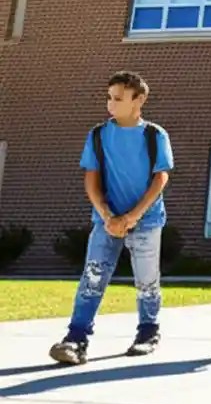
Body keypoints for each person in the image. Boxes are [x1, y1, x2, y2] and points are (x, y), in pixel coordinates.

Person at [49, 71, 175, 366]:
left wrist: (133, 216)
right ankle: (76, 339)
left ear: (138, 100)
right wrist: (107, 214)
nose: (111, 103)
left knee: (146, 281)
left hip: (146, 220)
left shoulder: (154, 135)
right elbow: (91, 178)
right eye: (109, 97)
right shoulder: (98, 135)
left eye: (118, 98)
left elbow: (160, 179)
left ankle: (147, 333)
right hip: (106, 221)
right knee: (92, 277)